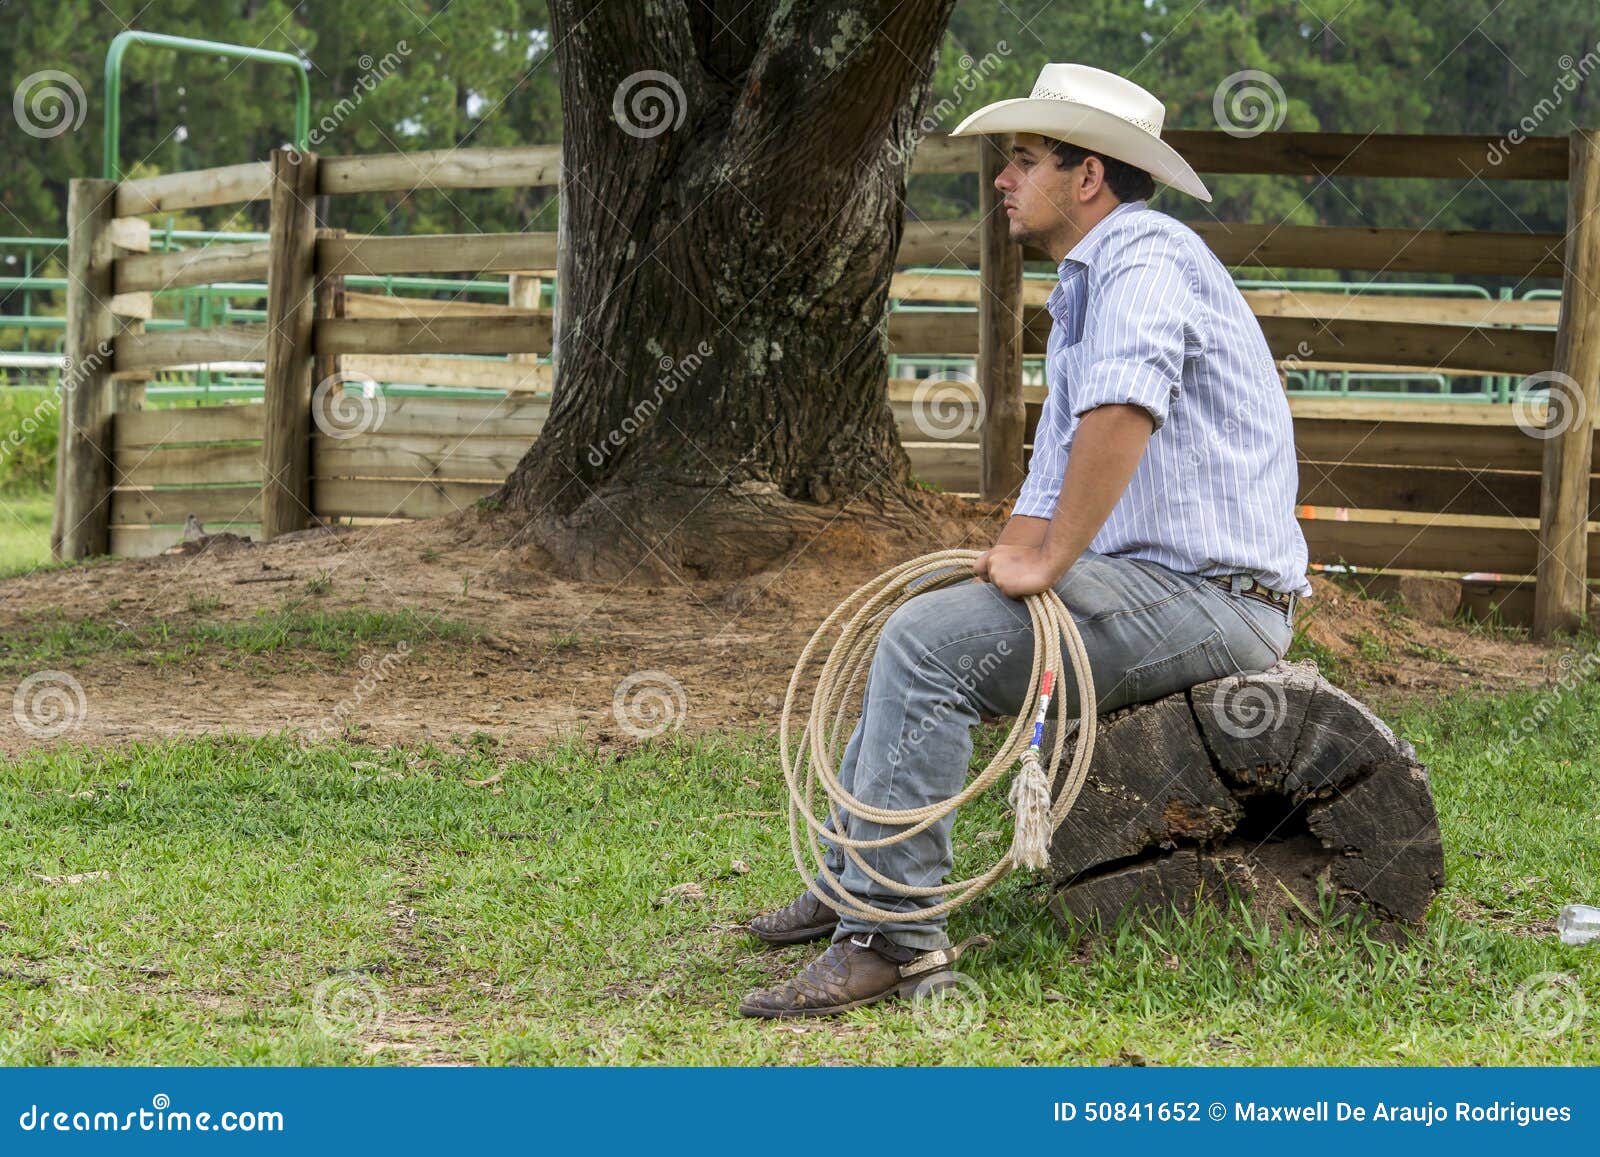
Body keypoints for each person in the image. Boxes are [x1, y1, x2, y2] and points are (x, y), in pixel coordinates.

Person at [737, 63, 1311, 1019]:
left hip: (1220, 599)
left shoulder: (1143, 259)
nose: (1004, 180)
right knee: (931, 623)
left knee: (930, 645)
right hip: (1160, 586)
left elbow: (1123, 410)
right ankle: (857, 882)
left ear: (1088, 176)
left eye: (1023, 160)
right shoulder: (1089, 289)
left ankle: (890, 931)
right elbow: (1048, 484)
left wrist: (1042, 566)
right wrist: (1010, 556)